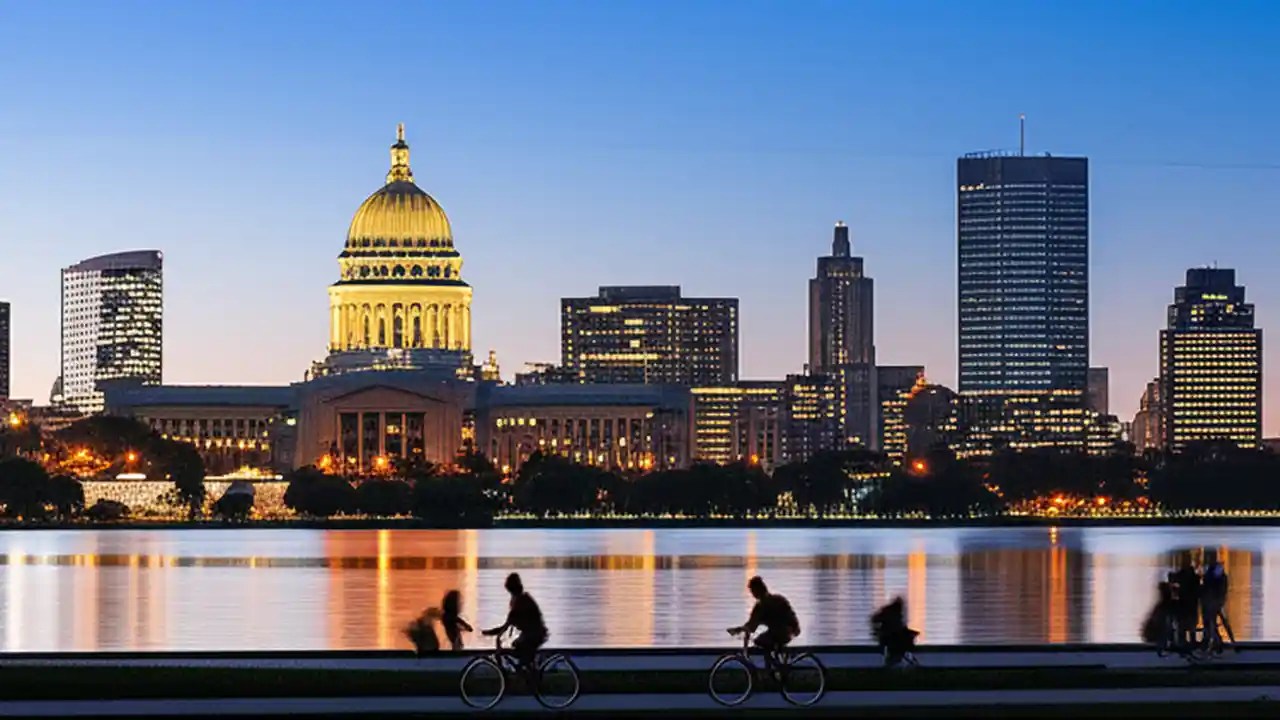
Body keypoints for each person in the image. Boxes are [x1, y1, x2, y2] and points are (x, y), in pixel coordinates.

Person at [483, 573, 548, 670]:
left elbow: (506, 625)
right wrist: (492, 632)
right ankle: (528, 670)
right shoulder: (524, 598)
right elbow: (509, 624)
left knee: (518, 648)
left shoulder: (519, 602)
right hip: (535, 633)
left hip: (533, 634)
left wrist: (493, 633)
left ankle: (528, 670)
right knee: (518, 648)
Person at [727, 576, 801, 658]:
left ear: (756, 591)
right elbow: (791, 616)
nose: (752, 594)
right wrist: (795, 628)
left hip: (778, 634)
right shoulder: (779, 599)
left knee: (759, 641)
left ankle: (769, 662)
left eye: (752, 591)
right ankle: (775, 659)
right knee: (769, 639)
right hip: (788, 633)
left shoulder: (760, 606)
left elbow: (751, 627)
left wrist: (738, 630)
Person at [872, 597, 919, 667]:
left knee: (906, 639)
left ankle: (899, 659)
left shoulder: (896, 613)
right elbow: (875, 620)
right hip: (891, 638)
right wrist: (877, 631)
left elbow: (901, 627)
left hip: (894, 637)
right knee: (903, 641)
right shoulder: (889, 612)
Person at [1200, 554, 1232, 654]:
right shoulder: (1212, 571)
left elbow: (1214, 587)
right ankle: (1213, 641)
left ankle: (1215, 643)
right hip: (1211, 601)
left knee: (1211, 622)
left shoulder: (1216, 572)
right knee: (1210, 622)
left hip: (1213, 602)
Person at [1171, 557, 1201, 650]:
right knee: (1190, 626)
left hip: (1184, 605)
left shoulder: (1182, 576)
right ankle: (1191, 644)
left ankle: (1183, 644)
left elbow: (1172, 578)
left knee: (1183, 626)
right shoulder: (1195, 577)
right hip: (1191, 606)